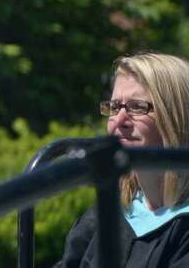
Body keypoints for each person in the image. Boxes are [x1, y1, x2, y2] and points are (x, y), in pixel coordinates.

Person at [55, 52, 189, 267]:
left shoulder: (183, 230)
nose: (119, 121)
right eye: (114, 107)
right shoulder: (106, 216)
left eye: (137, 107)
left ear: (176, 117)